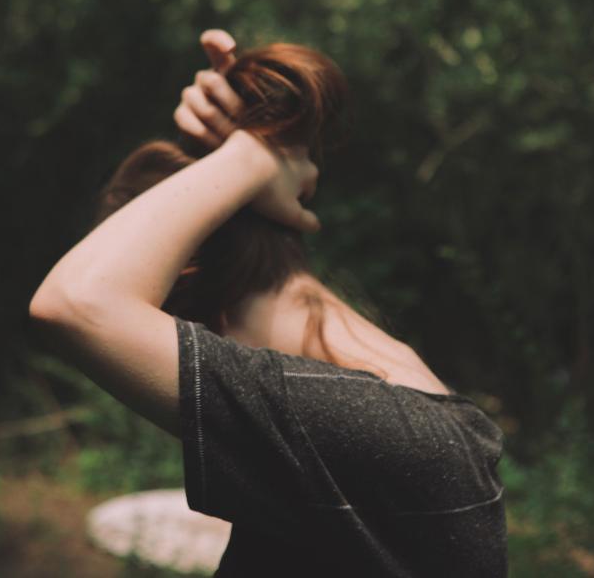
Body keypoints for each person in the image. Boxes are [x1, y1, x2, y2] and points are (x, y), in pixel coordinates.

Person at [29, 29, 508, 577]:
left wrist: (252, 158)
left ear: (190, 302)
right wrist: (259, 150)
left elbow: (75, 303)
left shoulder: (362, 428)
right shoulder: (393, 425)